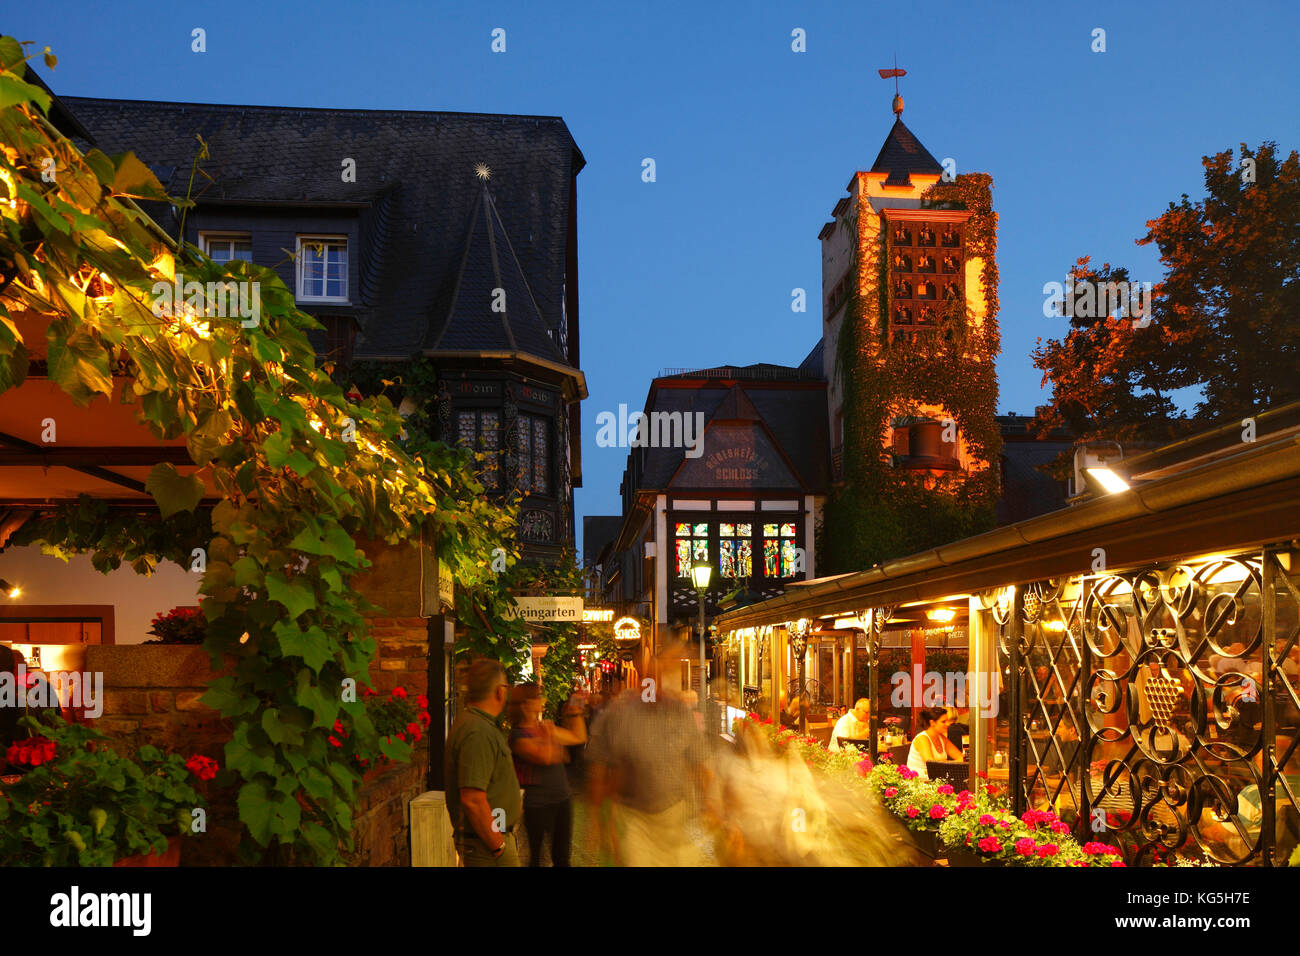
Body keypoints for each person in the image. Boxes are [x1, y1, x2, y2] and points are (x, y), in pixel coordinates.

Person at [586, 642, 713, 866]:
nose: (662, 683)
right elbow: (599, 765)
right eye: (657, 675)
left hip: (674, 817)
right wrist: (597, 819)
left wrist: (712, 804)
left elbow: (700, 761)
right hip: (633, 817)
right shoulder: (619, 713)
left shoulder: (681, 714)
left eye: (669, 675)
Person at [444, 659, 522, 867]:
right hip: (487, 847)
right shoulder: (477, 731)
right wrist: (498, 846)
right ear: (499, 691)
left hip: (486, 842)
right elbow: (473, 798)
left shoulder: (476, 724)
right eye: (506, 686)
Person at [509, 683, 586, 867]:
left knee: (562, 857)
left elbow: (579, 737)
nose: (542, 700)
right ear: (525, 704)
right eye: (537, 697)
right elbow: (547, 757)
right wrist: (550, 737)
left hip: (562, 798)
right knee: (537, 858)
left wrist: (575, 713)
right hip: (537, 803)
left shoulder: (543, 728)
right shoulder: (518, 736)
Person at [907, 706, 962, 778]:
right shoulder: (922, 739)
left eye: (947, 721)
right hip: (919, 781)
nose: (948, 724)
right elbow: (931, 765)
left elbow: (961, 758)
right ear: (932, 722)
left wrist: (945, 763)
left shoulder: (942, 738)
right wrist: (950, 763)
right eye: (943, 722)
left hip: (936, 778)